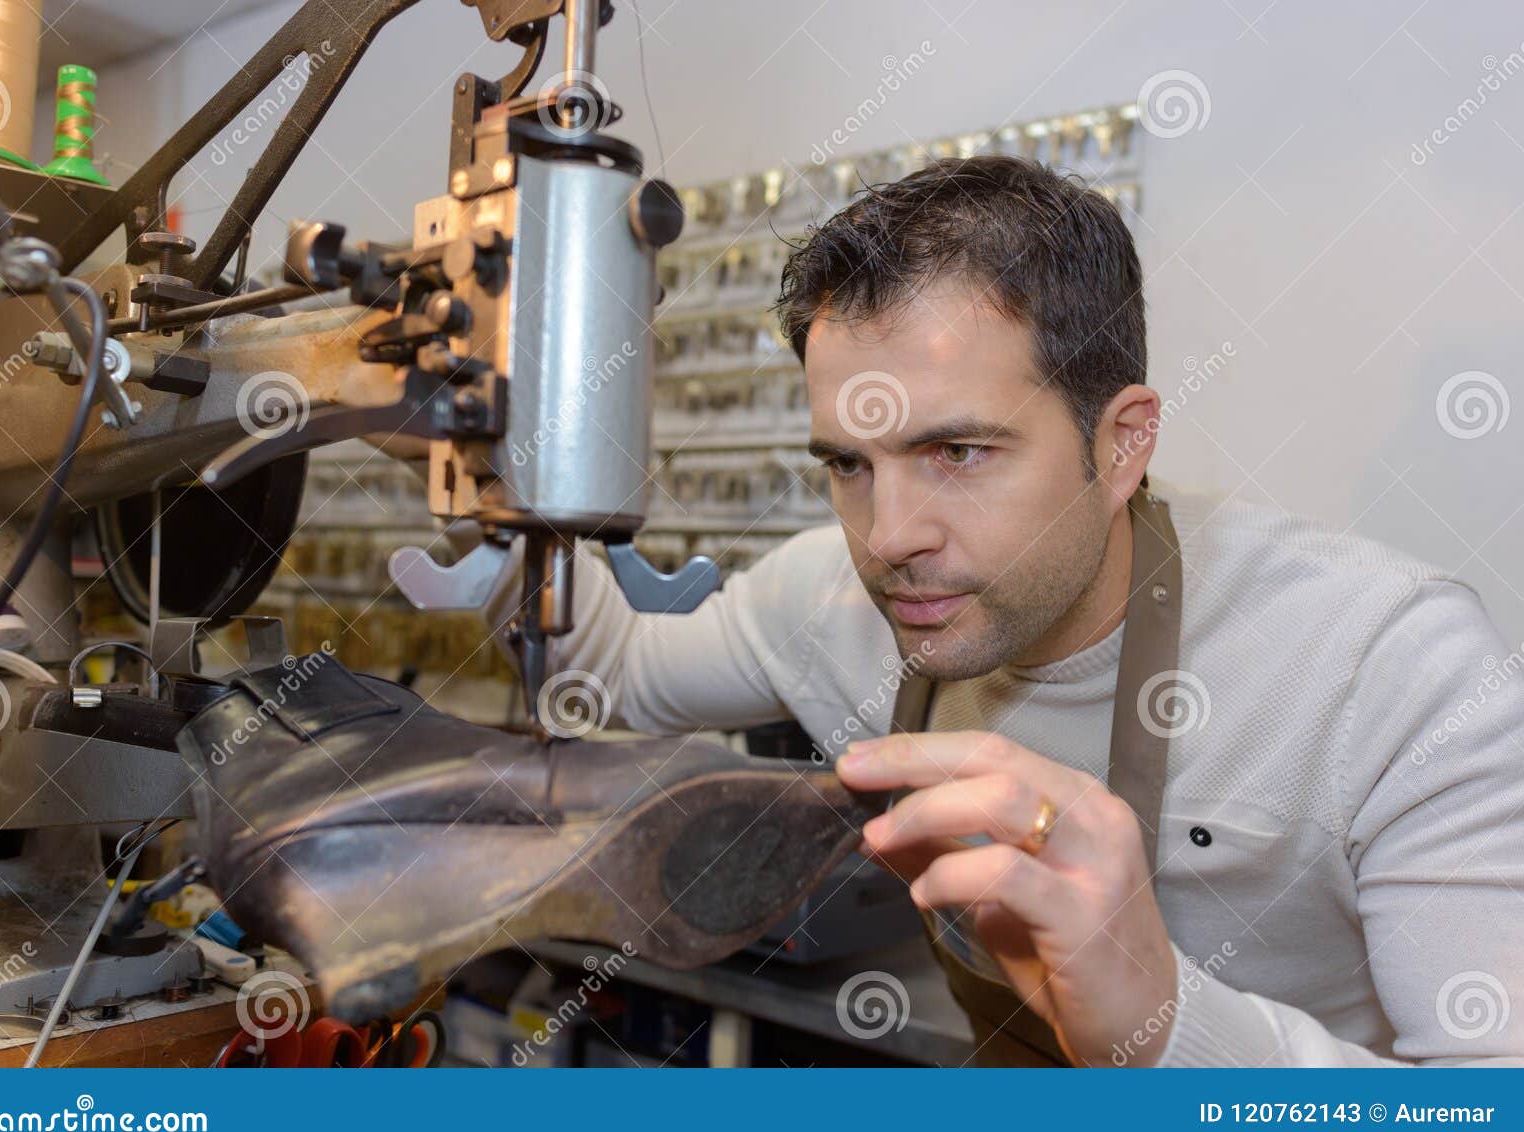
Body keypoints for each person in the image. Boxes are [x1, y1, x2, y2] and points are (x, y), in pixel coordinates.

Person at [477, 155, 1523, 1066]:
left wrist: (1159, 1025)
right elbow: (608, 674)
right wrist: (482, 449)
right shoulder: (831, 598)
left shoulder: (1390, 669)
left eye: (957, 452)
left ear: (1120, 444)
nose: (889, 536)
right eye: (848, 464)